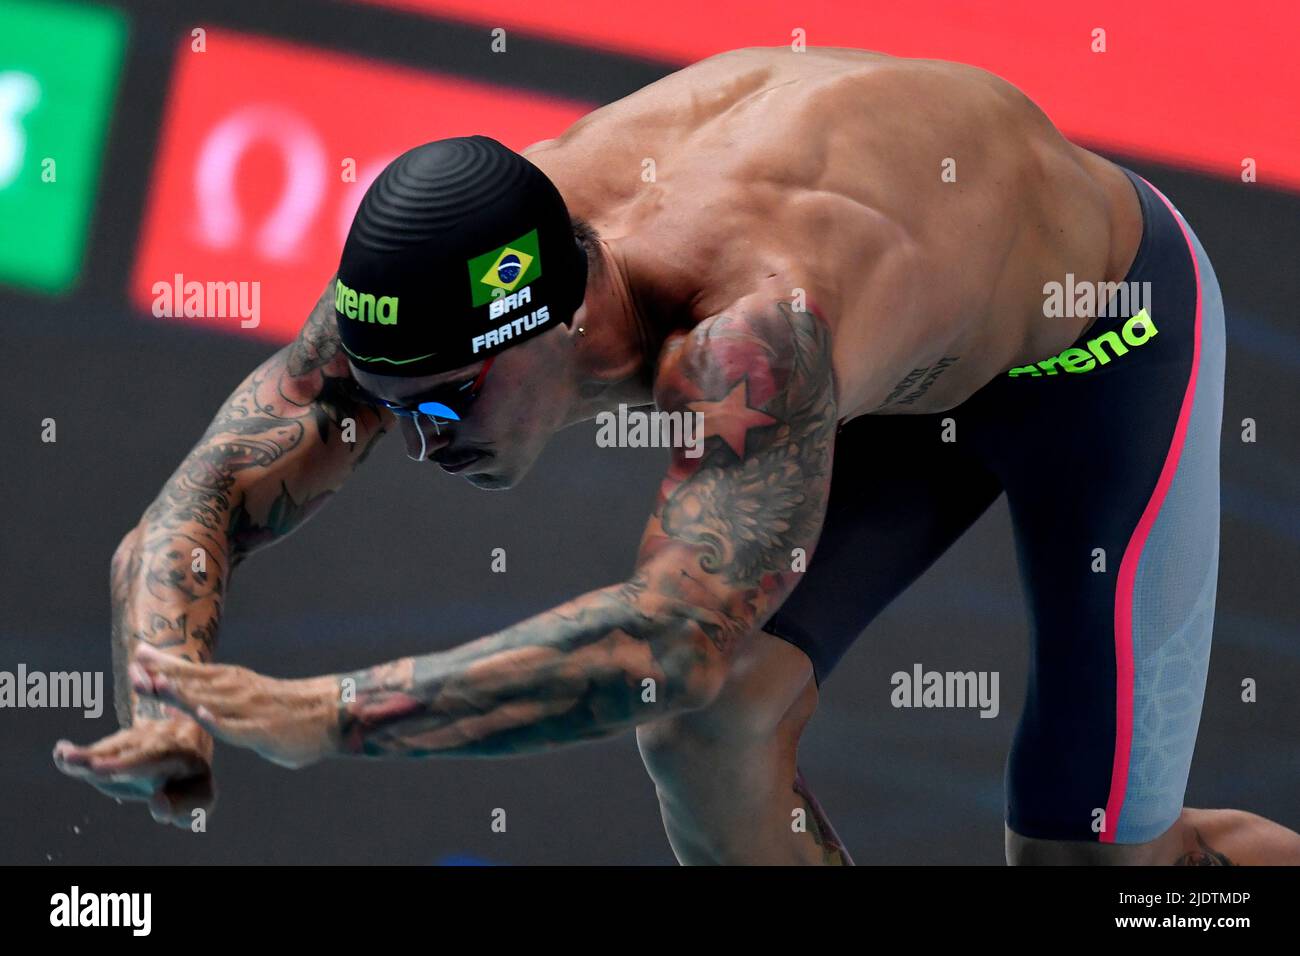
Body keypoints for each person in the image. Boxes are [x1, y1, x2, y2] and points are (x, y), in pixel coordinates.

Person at [54, 46, 1300, 865]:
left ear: (544, 330)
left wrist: (326, 715)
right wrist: (166, 690)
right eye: (393, 412)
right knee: (714, 737)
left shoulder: (754, 319)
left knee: (1099, 866)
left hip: (1100, 347)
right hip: (890, 353)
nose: (419, 445)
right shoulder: (443, 292)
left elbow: (663, 646)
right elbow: (196, 500)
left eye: (440, 411)